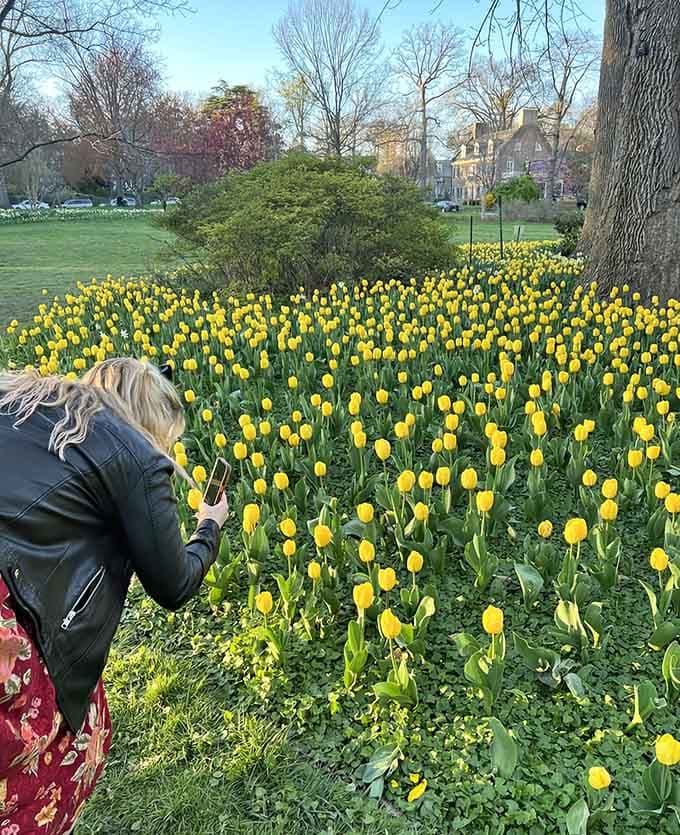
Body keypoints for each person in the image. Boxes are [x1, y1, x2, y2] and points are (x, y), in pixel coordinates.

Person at [0, 358, 229, 834]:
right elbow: (174, 585)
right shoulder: (136, 454)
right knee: (59, 752)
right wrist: (209, 526)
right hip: (9, 619)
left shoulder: (26, 403)